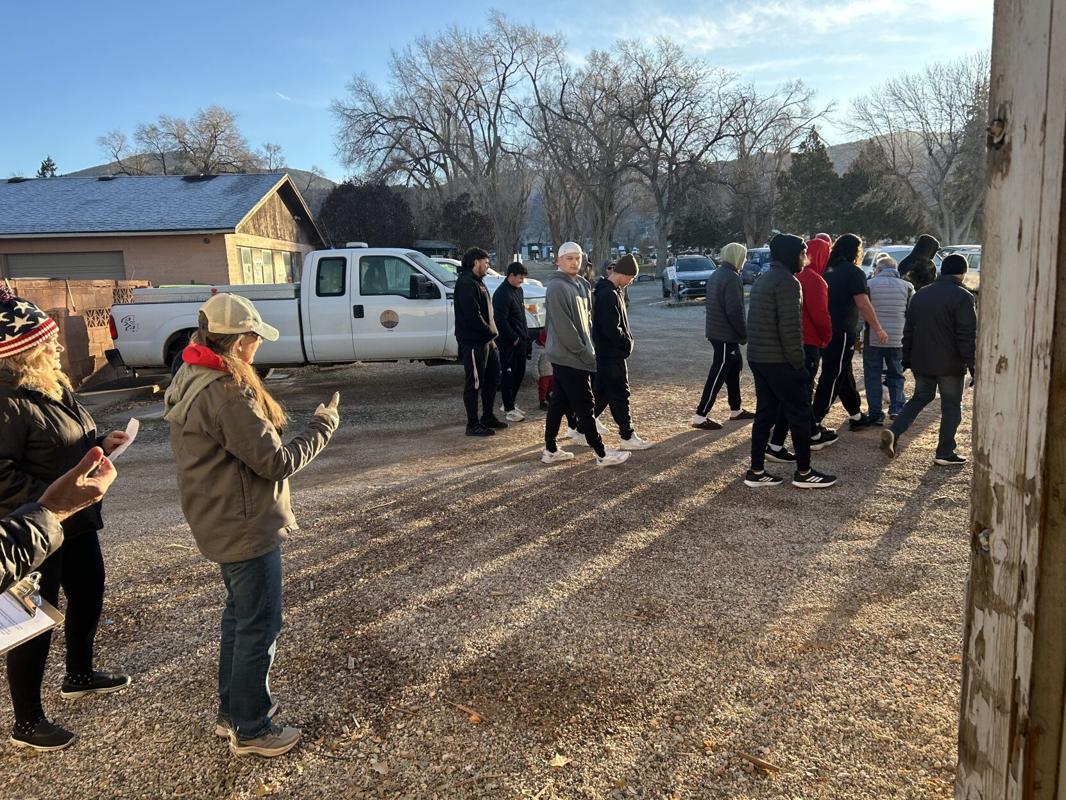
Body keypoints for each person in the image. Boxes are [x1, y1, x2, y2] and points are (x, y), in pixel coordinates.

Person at [164, 293, 340, 758]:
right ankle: (252, 727)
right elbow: (275, 462)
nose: (258, 345)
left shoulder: (194, 373)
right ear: (240, 342)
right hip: (244, 525)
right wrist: (323, 425)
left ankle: (232, 712)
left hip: (220, 517)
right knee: (259, 625)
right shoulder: (225, 392)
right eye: (255, 337)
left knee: (240, 619)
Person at [0, 287, 132, 752]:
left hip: (73, 521)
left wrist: (103, 444)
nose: (58, 347)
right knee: (34, 621)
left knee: (89, 590)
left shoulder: (52, 387)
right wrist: (49, 504)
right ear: (23, 351)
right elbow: (1, 474)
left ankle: (78, 673)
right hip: (34, 530)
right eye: (48, 341)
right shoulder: (8, 401)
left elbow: (68, 440)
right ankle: (27, 722)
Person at [744, 234, 837, 489]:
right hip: (780, 360)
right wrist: (799, 365)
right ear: (790, 254)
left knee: (765, 413)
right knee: (799, 412)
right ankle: (804, 472)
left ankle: (756, 470)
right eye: (801, 253)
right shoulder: (788, 282)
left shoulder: (764, 279)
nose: (805, 259)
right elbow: (790, 329)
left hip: (759, 357)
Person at [881, 254, 977, 465]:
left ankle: (894, 432)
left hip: (921, 359)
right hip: (950, 363)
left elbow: (909, 330)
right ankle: (945, 451)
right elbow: (966, 335)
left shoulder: (921, 294)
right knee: (951, 405)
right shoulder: (963, 297)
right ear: (962, 272)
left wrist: (906, 358)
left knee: (920, 397)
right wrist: (973, 366)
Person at [541, 242, 629, 467]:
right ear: (558, 260)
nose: (574, 262)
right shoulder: (556, 287)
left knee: (559, 402)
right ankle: (601, 453)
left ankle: (550, 449)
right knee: (585, 405)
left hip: (574, 355)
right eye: (568, 258)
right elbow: (565, 328)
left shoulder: (581, 284)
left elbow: (587, 322)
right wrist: (586, 354)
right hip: (569, 356)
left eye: (577, 258)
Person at [1, 448, 116, 593]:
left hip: (75, 520)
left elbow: (64, 447)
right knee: (41, 600)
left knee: (90, 593)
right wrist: (54, 505)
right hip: (32, 525)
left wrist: (103, 445)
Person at [811, 234, 889, 437]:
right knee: (833, 375)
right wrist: (878, 328)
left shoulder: (826, 269)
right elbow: (863, 303)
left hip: (826, 330)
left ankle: (855, 415)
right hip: (843, 330)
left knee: (843, 372)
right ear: (856, 251)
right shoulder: (854, 272)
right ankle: (813, 421)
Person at [766, 236, 834, 462]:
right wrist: (826, 338)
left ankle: (786, 440)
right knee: (800, 396)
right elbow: (821, 316)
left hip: (788, 343)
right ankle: (800, 445)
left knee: (792, 396)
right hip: (808, 342)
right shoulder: (813, 280)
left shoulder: (790, 276)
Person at [691, 242, 754, 430]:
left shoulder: (717, 274)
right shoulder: (732, 277)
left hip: (717, 332)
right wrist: (744, 334)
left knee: (734, 368)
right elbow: (735, 311)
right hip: (726, 334)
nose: (745, 260)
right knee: (719, 372)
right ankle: (700, 415)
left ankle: (736, 409)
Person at [592, 254, 651, 450]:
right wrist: (626, 343)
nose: (631, 282)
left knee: (603, 394)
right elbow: (612, 328)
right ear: (624, 274)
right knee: (619, 393)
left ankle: (580, 425)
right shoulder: (608, 294)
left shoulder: (609, 291)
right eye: (631, 278)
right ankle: (627, 435)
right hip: (611, 354)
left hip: (607, 354)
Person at [453, 247, 506, 436]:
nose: (488, 265)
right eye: (486, 262)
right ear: (476, 262)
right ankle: (472, 424)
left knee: (492, 379)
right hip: (474, 341)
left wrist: (491, 335)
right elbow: (472, 315)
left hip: (487, 341)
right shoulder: (466, 283)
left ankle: (488, 416)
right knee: (474, 382)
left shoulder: (478, 281)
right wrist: (489, 331)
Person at [864, 256, 913, 423]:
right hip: (898, 338)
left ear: (879, 269)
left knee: (872, 376)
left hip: (873, 337)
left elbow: (862, 310)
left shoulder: (869, 285)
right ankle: (897, 408)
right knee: (896, 375)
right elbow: (911, 313)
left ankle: (875, 413)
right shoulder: (907, 287)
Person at [492, 261, 530, 423]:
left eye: (523, 278)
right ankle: (508, 408)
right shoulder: (501, 294)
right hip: (508, 341)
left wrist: (524, 336)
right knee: (508, 373)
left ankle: (510, 402)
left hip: (521, 339)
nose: (522, 280)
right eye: (520, 277)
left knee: (520, 372)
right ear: (511, 275)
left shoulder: (518, 290)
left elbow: (520, 315)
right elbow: (500, 320)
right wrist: (513, 337)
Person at [531, 328, 552, 410]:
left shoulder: (549, 347)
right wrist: (536, 375)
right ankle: (542, 401)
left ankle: (548, 396)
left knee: (551, 386)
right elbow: (534, 363)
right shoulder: (537, 350)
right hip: (543, 374)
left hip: (551, 372)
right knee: (543, 388)